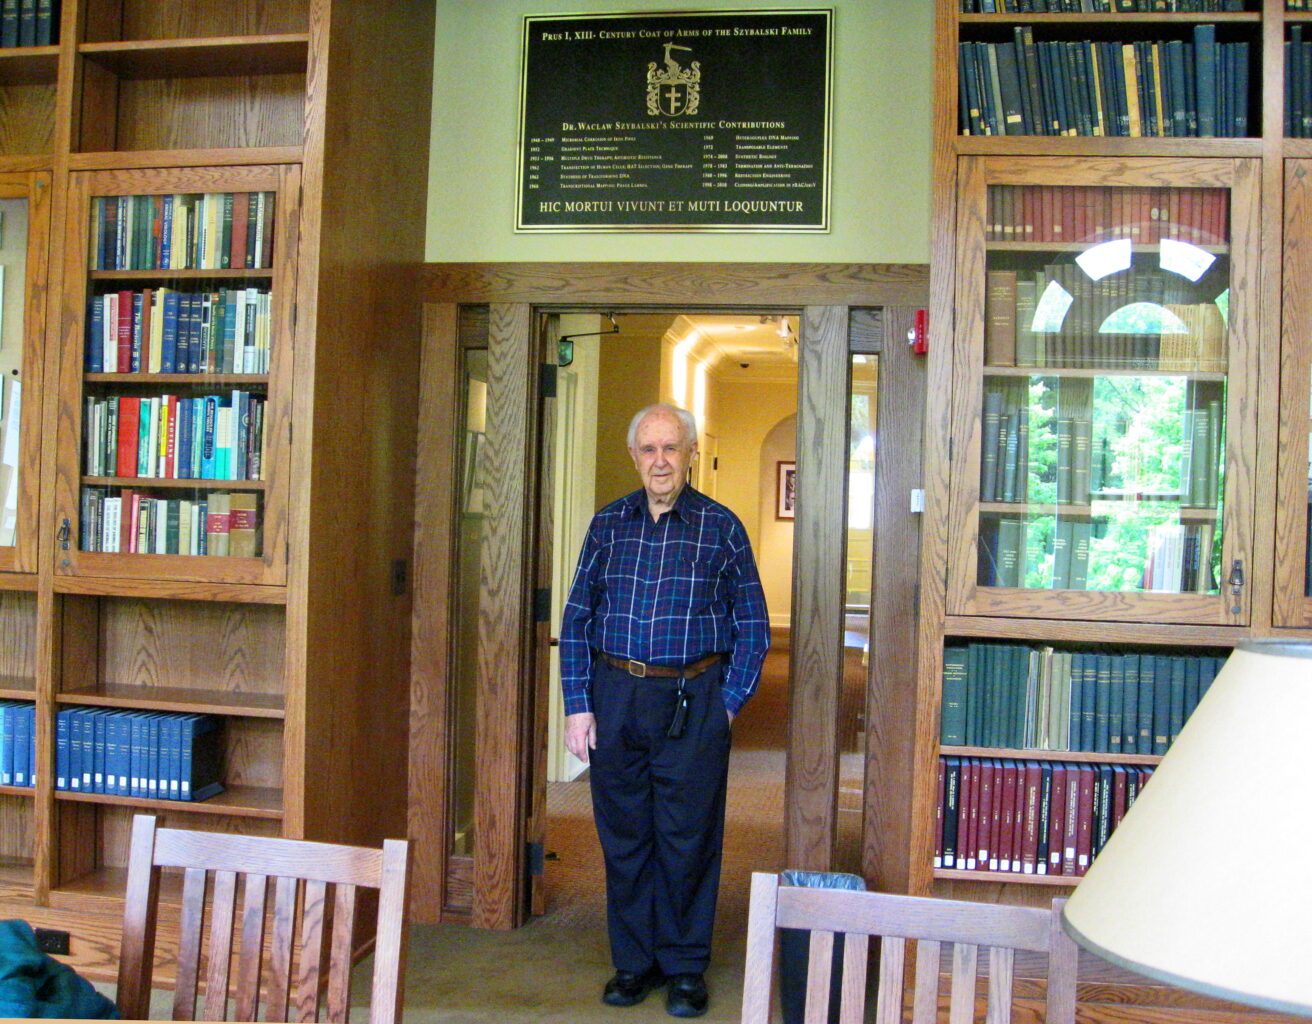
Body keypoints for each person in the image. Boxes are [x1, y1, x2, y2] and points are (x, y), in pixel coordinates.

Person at [559, 402, 769, 1019]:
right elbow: (576, 620)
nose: (659, 460)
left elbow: (753, 626)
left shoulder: (721, 527)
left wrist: (726, 705)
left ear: (690, 454)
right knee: (625, 837)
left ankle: (683, 967)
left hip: (693, 698)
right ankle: (634, 963)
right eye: (648, 449)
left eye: (671, 448)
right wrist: (577, 706)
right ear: (634, 456)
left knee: (688, 836)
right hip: (614, 694)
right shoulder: (608, 525)